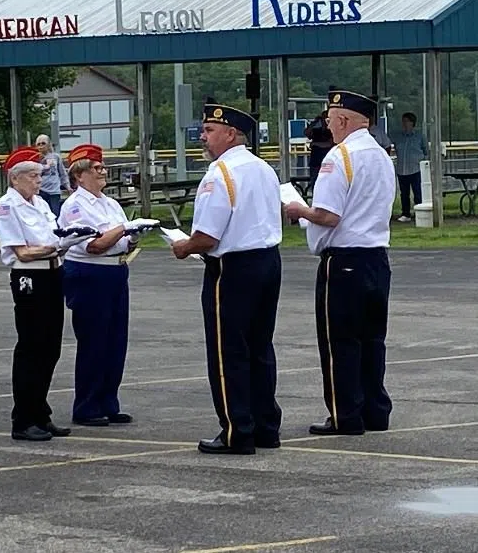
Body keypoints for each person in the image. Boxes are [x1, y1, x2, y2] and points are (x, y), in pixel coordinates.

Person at [170, 102, 284, 455]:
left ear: (230, 133)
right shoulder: (263, 168)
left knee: (228, 351)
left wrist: (183, 246)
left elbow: (207, 237)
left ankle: (237, 430)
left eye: (209, 131)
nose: (203, 138)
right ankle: (266, 426)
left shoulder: (219, 174)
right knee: (260, 347)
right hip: (267, 261)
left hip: (233, 268)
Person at [285, 90, 396, 436]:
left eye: (330, 120)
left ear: (344, 120)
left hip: (345, 258)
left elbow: (328, 215)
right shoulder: (380, 155)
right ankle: (375, 411)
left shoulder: (340, 156)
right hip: (376, 256)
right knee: (372, 340)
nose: (328, 126)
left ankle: (345, 413)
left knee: (340, 342)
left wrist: (298, 209)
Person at [0, 147, 92, 442]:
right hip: (30, 275)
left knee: (50, 346)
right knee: (32, 346)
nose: (39, 180)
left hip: (52, 272)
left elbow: (54, 234)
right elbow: (21, 251)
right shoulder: (7, 207)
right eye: (33, 175)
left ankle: (40, 413)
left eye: (40, 175)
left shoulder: (39, 204)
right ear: (16, 178)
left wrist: (67, 240)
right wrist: (56, 246)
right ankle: (23, 418)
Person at [58, 143, 157, 427]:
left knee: (115, 341)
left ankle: (108, 401)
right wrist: (123, 229)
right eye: (97, 168)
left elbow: (122, 240)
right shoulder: (74, 206)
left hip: (116, 271)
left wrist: (134, 234)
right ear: (80, 175)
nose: (103, 172)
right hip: (90, 273)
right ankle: (87, 405)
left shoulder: (109, 203)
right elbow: (94, 245)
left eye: (103, 167)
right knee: (93, 341)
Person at [389, 112, 429, 222]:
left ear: (412, 123)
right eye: (403, 121)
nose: (404, 123)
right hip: (402, 169)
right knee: (404, 194)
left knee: (417, 192)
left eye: (406, 121)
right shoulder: (398, 137)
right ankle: (406, 214)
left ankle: (420, 213)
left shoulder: (419, 137)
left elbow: (426, 151)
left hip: (416, 169)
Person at [35, 134, 69, 217]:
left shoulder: (56, 156)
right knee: (43, 214)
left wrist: (68, 186)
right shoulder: (35, 158)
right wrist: (45, 166)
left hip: (54, 190)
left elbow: (62, 173)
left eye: (43, 143)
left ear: (49, 144)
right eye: (38, 144)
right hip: (41, 190)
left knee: (55, 214)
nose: (41, 146)